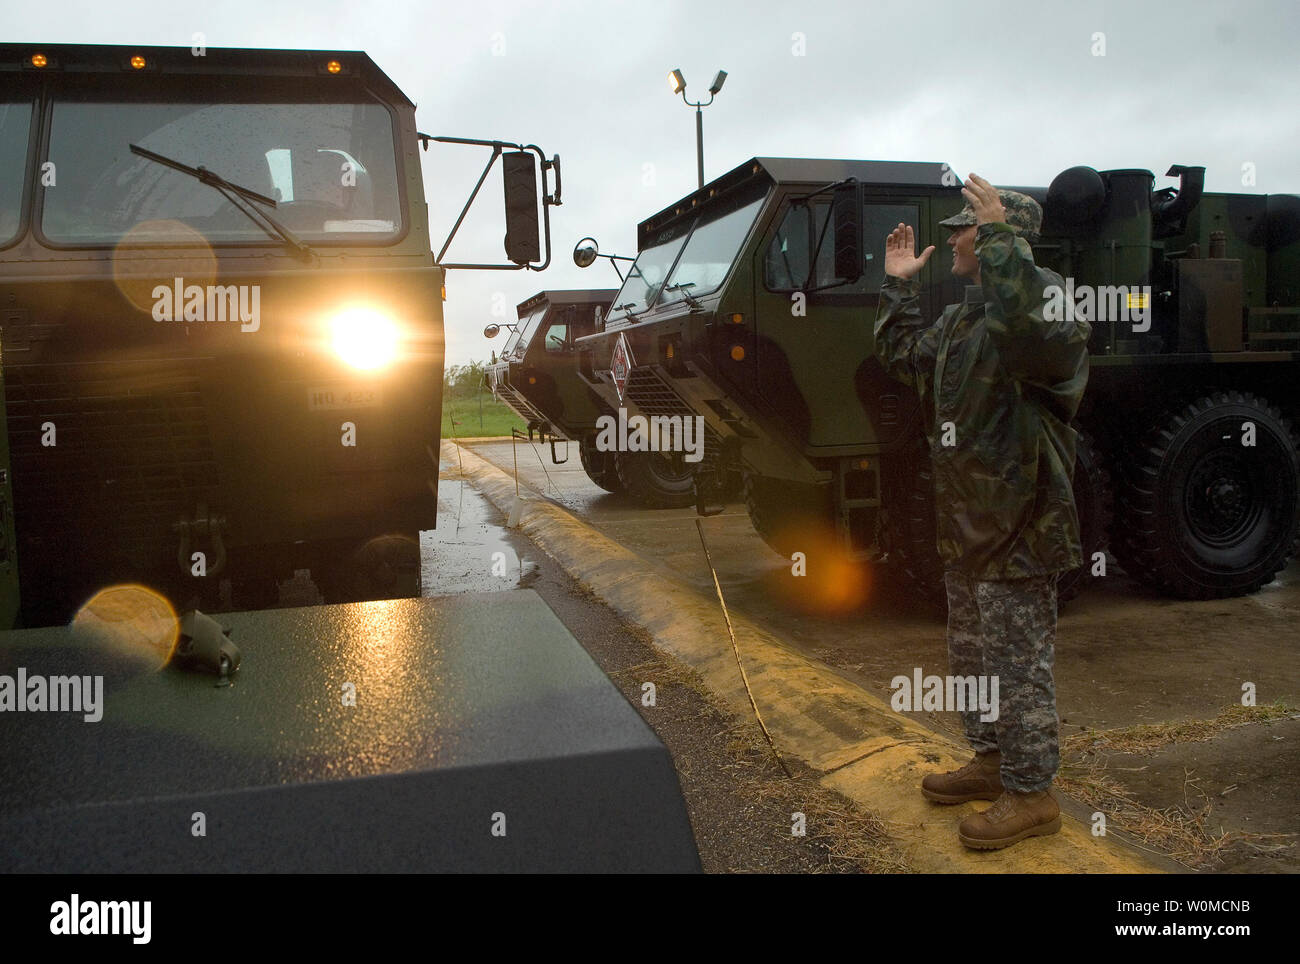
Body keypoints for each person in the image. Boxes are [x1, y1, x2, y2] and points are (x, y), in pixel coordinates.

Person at [874, 174, 1090, 849]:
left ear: (1004, 235)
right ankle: (991, 761)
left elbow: (1033, 338)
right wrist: (898, 287)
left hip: (1021, 524)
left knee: (1018, 667)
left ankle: (1033, 794)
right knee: (972, 658)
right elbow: (903, 361)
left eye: (967, 227)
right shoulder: (964, 315)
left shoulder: (1047, 299)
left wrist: (999, 244)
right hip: (967, 525)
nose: (952, 239)